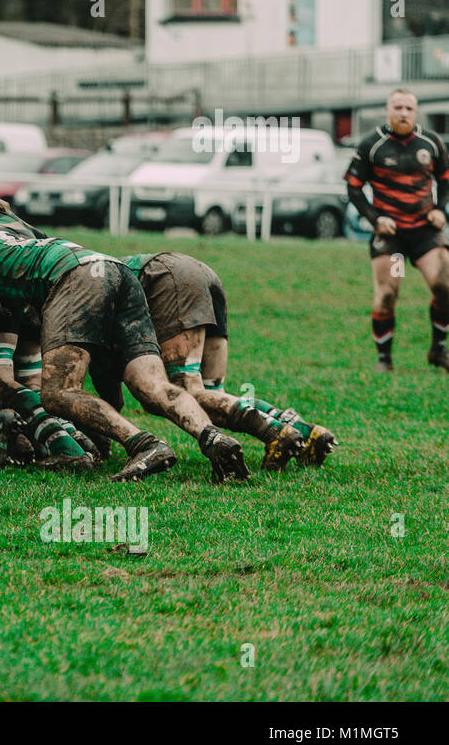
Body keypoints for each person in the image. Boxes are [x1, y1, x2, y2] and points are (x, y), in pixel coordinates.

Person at [0, 230, 251, 483]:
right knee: (152, 385)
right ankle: (212, 438)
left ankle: (144, 444)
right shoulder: (20, 244)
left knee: (56, 393)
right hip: (114, 270)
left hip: (76, 279)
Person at [114, 252, 336, 469]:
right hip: (201, 274)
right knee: (213, 395)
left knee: (186, 391)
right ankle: (303, 430)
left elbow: (110, 394)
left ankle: (276, 432)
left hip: (168, 278)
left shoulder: (91, 283)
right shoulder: (98, 268)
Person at [345, 88, 449, 372]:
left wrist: (440, 209)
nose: (403, 113)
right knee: (389, 292)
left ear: (416, 113)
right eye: (398, 107)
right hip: (393, 241)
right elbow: (353, 189)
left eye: (408, 109)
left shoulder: (431, 142)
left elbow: (445, 179)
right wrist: (375, 218)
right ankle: (384, 360)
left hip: (424, 234)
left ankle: (438, 349)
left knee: (444, 286)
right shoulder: (372, 145)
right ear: (387, 110)